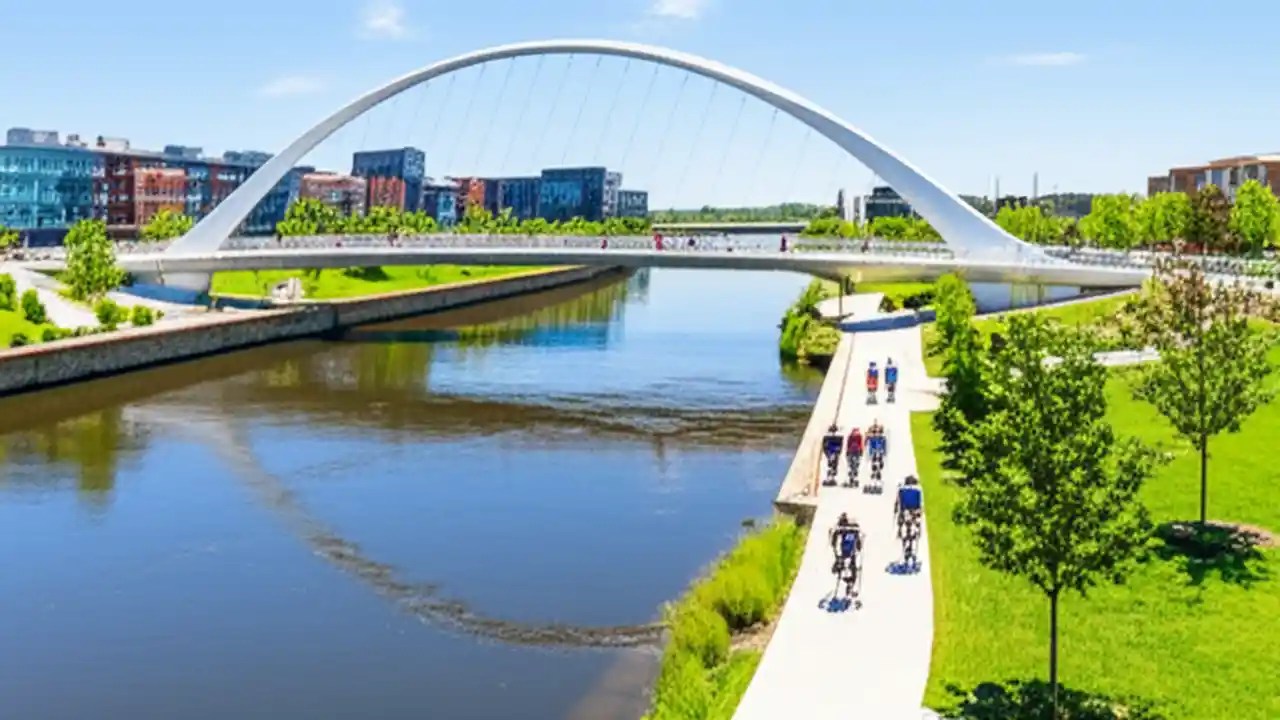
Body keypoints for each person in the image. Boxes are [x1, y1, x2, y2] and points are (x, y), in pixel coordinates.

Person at [829, 513, 862, 597]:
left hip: (850, 551)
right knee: (847, 562)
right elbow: (834, 537)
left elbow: (858, 538)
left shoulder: (853, 528)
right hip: (845, 551)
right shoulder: (841, 528)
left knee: (852, 565)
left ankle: (850, 583)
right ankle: (839, 565)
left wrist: (859, 545)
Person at [894, 474, 924, 539]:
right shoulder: (918, 489)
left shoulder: (902, 489)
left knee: (901, 517)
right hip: (915, 509)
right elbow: (920, 502)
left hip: (904, 509)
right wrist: (921, 510)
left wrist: (895, 509)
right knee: (917, 517)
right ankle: (917, 528)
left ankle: (899, 530)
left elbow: (898, 500)